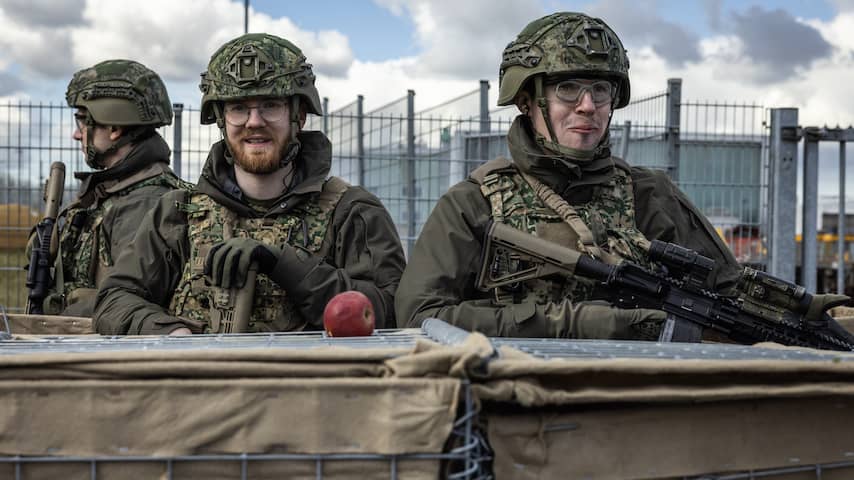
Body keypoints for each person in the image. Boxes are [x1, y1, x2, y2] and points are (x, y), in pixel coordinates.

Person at [395, 12, 742, 339]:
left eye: (600, 89)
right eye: (568, 87)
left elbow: (732, 298)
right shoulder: (475, 204)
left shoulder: (650, 195)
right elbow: (419, 315)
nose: (588, 106)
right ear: (527, 100)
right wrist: (582, 323)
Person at [93, 33, 405, 335]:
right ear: (222, 119)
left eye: (270, 105)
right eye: (239, 108)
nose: (254, 121)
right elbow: (114, 300)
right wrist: (172, 333)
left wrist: (286, 265)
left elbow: (389, 310)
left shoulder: (351, 212)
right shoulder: (178, 214)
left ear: (298, 116)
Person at [30, 59, 189, 317]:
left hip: (99, 341)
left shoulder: (146, 203)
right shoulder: (115, 191)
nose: (77, 134)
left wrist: (55, 316)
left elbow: (125, 306)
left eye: (83, 121)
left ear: (114, 128)